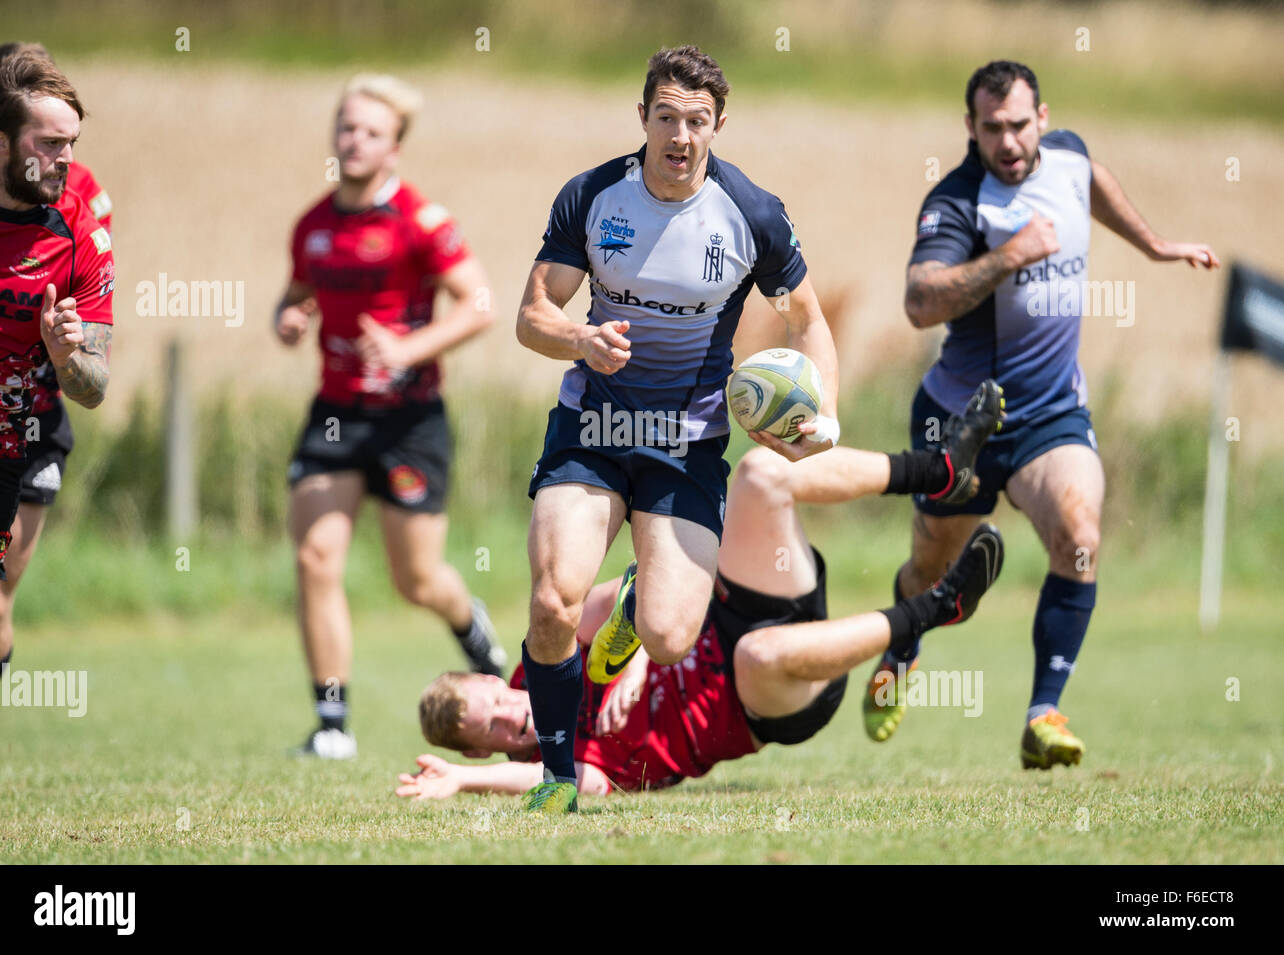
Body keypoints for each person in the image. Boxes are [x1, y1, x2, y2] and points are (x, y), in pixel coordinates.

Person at [397, 382, 1004, 804]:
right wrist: (458, 781)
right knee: (757, 655)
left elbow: (616, 595)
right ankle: (935, 607)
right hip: (772, 697)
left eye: (498, 704)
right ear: (484, 755)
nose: (515, 718)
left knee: (761, 474)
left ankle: (940, 471)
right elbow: (582, 784)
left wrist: (636, 655)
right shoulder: (551, 765)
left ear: (491, 681)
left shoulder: (542, 669)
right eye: (496, 732)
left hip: (737, 604)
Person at [514, 45, 841, 811]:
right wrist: (580, 339)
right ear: (643, 118)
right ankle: (558, 776)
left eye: (697, 121)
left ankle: (633, 599)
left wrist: (821, 414)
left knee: (668, 637)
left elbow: (809, 318)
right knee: (555, 601)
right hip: (590, 428)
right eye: (667, 117)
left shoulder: (752, 212)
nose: (681, 136)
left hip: (686, 446)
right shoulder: (594, 197)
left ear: (718, 125)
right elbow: (533, 316)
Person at [869, 60, 1221, 769]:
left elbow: (1091, 182)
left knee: (1080, 533)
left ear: (1044, 119)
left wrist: (1155, 246)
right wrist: (1009, 257)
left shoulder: (1068, 159)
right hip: (959, 424)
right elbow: (919, 302)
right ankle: (900, 649)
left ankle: (1043, 713)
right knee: (933, 568)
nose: (1008, 142)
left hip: (1050, 414)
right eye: (991, 127)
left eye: (1020, 125)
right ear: (969, 128)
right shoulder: (958, 202)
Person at [274, 73, 503, 759]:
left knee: (418, 581)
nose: (353, 140)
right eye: (346, 127)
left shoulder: (420, 224)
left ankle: (479, 638)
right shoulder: (313, 226)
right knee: (316, 556)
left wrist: (408, 348)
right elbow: (296, 295)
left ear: (395, 146)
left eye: (370, 131)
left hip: (409, 420)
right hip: (336, 416)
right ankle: (332, 723)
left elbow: (480, 304)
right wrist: (288, 317)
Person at [0, 41, 114, 723]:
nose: (68, 158)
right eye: (51, 142)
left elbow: (94, 387)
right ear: (0, 141)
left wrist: (66, 354)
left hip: (22, 439)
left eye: (74, 142)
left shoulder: (78, 237)